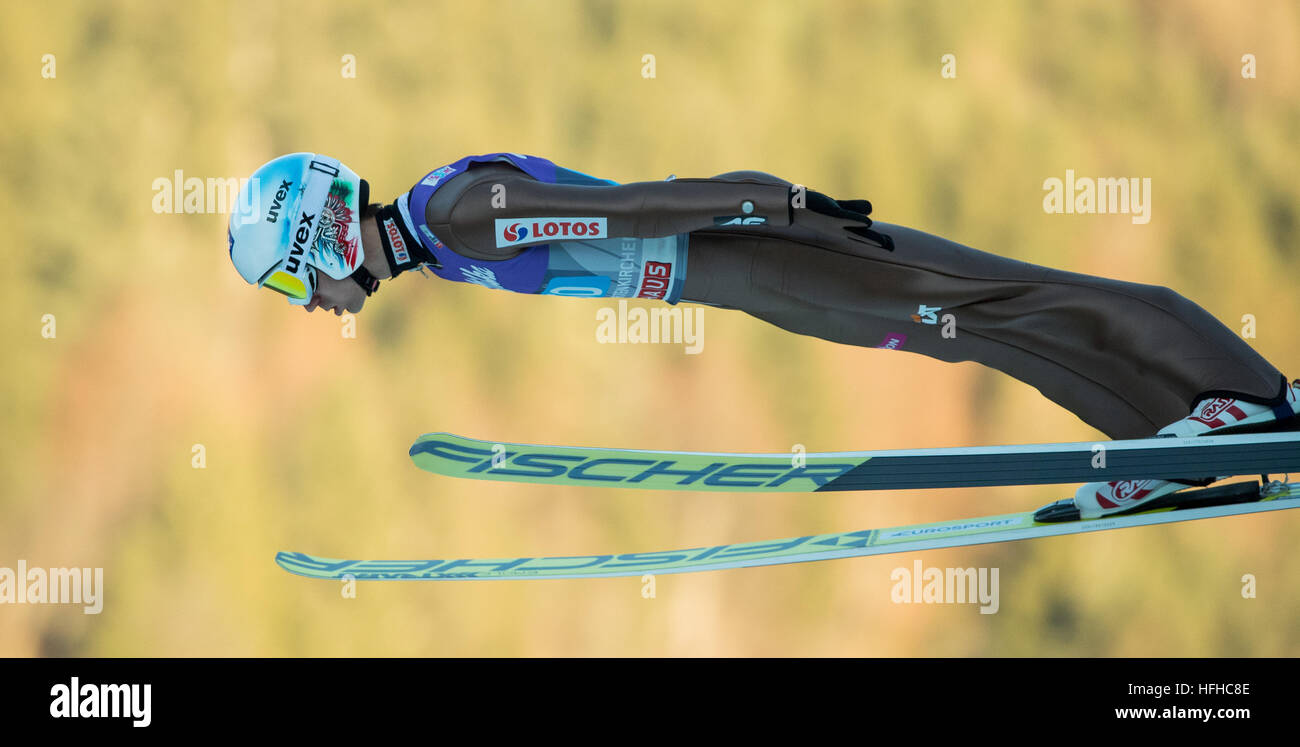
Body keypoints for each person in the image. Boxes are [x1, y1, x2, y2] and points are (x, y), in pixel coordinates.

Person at [227, 152, 1299, 518]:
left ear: (317, 237)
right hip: (748, 281)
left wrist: (775, 202)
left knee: (1013, 299)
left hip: (767, 255)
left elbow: (634, 210)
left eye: (296, 284)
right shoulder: (443, 240)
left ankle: (1259, 405)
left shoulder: (454, 214)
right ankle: (1169, 445)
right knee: (983, 334)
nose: (315, 307)